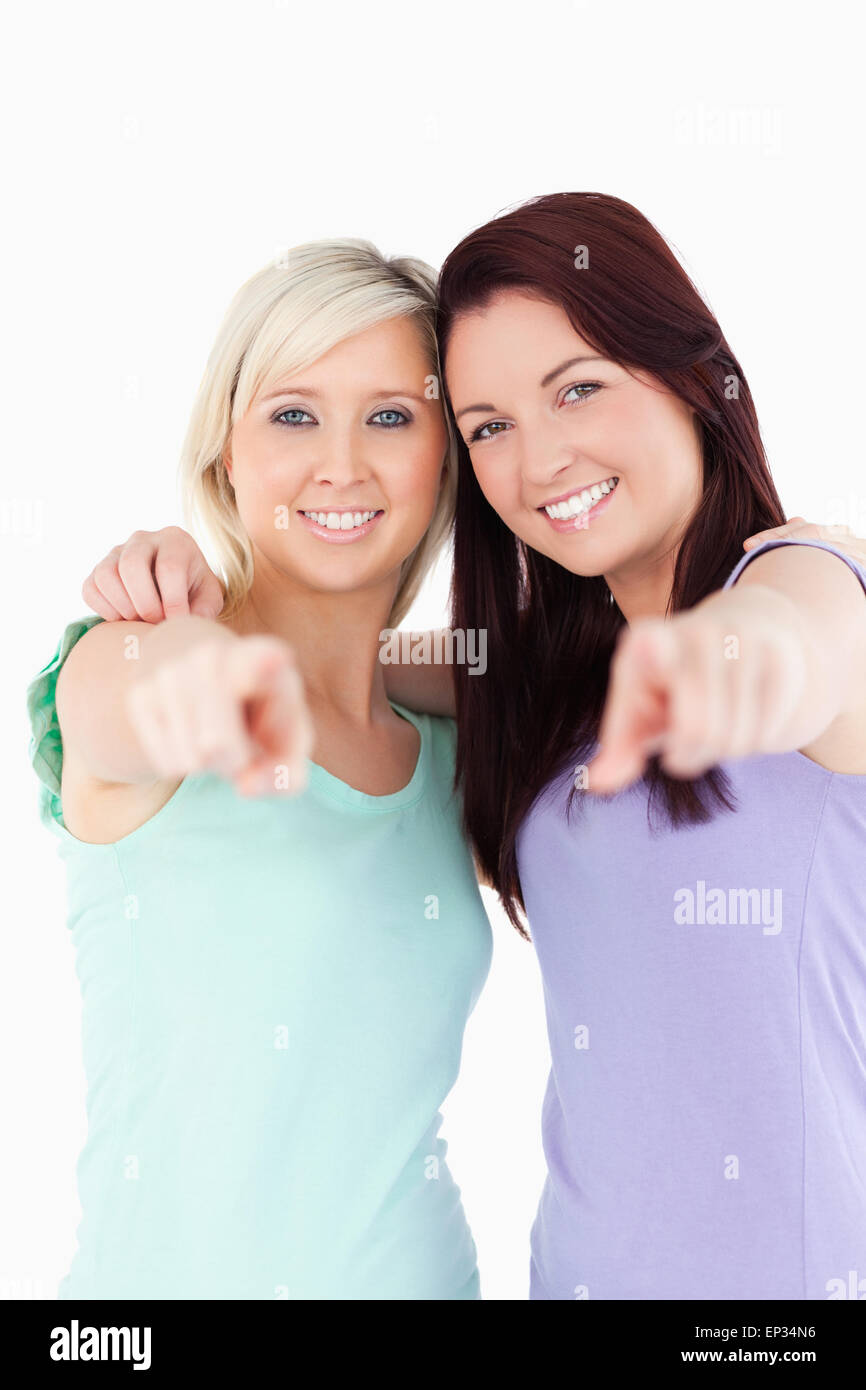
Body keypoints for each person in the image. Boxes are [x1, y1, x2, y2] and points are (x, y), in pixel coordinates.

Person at [26, 239, 492, 1300]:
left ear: (443, 460)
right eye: (292, 413)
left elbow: (575, 675)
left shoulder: (448, 759)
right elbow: (138, 698)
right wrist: (210, 666)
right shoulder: (125, 651)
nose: (341, 462)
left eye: (389, 415)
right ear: (223, 456)